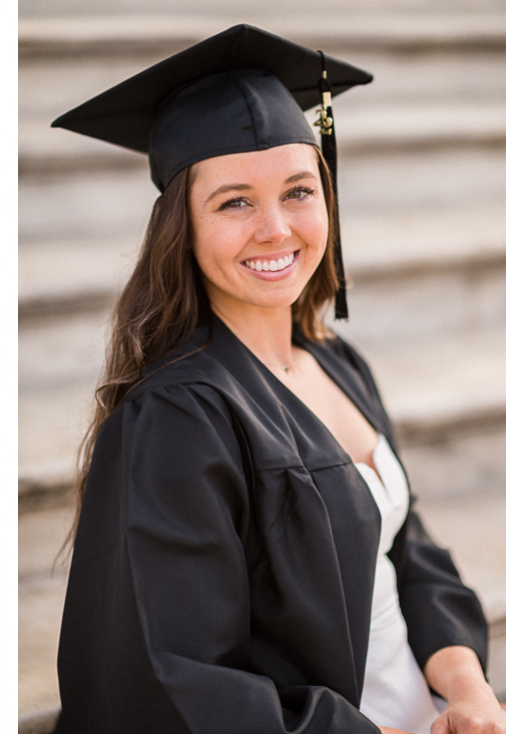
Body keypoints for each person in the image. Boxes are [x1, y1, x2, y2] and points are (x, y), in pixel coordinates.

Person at [51, 25, 501, 734]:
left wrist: (470, 691)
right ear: (182, 228)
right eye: (234, 202)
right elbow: (177, 677)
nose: (276, 229)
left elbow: (409, 548)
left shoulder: (334, 359)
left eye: (298, 191)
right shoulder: (177, 418)